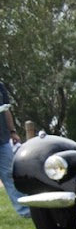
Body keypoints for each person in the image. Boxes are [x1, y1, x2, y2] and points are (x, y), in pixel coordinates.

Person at [0, 76, 29, 219]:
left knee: (10, 175)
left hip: (3, 140)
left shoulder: (0, 86)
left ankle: (24, 211)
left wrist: (12, 131)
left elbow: (6, 111)